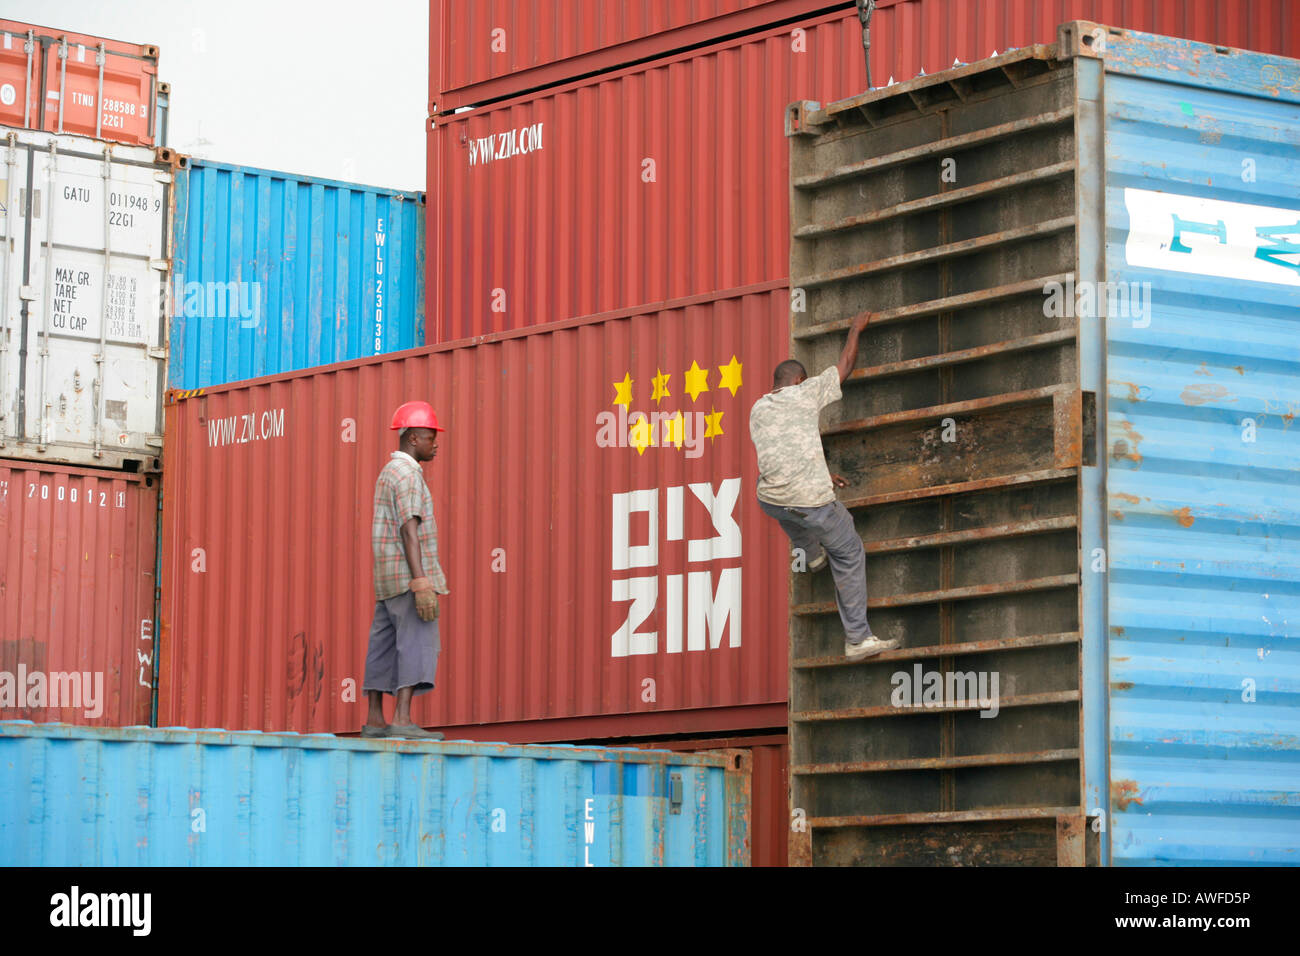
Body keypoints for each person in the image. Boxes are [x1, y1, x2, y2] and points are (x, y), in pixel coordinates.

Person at [748, 311, 899, 661]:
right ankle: (858, 639)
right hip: (811, 504)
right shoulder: (806, 392)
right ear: (799, 380)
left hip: (771, 499)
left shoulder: (758, 408)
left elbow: (786, 445)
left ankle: (813, 555)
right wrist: (854, 329)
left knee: (776, 496)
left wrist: (821, 472)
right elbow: (844, 365)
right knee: (849, 553)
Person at [361, 400, 450, 739]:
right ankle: (401, 719)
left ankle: (374, 720)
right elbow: (408, 529)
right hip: (407, 578)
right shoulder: (409, 475)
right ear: (413, 437)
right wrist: (421, 581)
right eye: (431, 437)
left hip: (385, 579)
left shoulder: (387, 473)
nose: (435, 443)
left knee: (381, 645)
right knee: (417, 641)